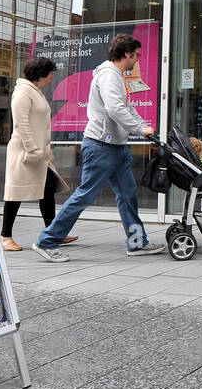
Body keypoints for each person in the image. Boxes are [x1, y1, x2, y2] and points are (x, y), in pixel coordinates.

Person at [32, 33, 163, 261]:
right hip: (102, 146)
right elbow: (114, 109)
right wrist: (140, 130)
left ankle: (136, 242)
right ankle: (47, 241)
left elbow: (125, 107)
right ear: (126, 54)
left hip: (117, 147)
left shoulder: (116, 76)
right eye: (136, 56)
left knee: (127, 194)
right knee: (84, 195)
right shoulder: (109, 76)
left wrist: (143, 125)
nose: (137, 61)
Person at [0, 57, 75, 251]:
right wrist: (33, 148)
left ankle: (53, 233)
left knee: (47, 189)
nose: (52, 77)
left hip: (40, 154)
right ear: (42, 74)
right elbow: (21, 123)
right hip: (24, 152)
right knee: (15, 192)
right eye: (51, 73)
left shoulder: (36, 92)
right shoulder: (23, 92)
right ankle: (5, 236)